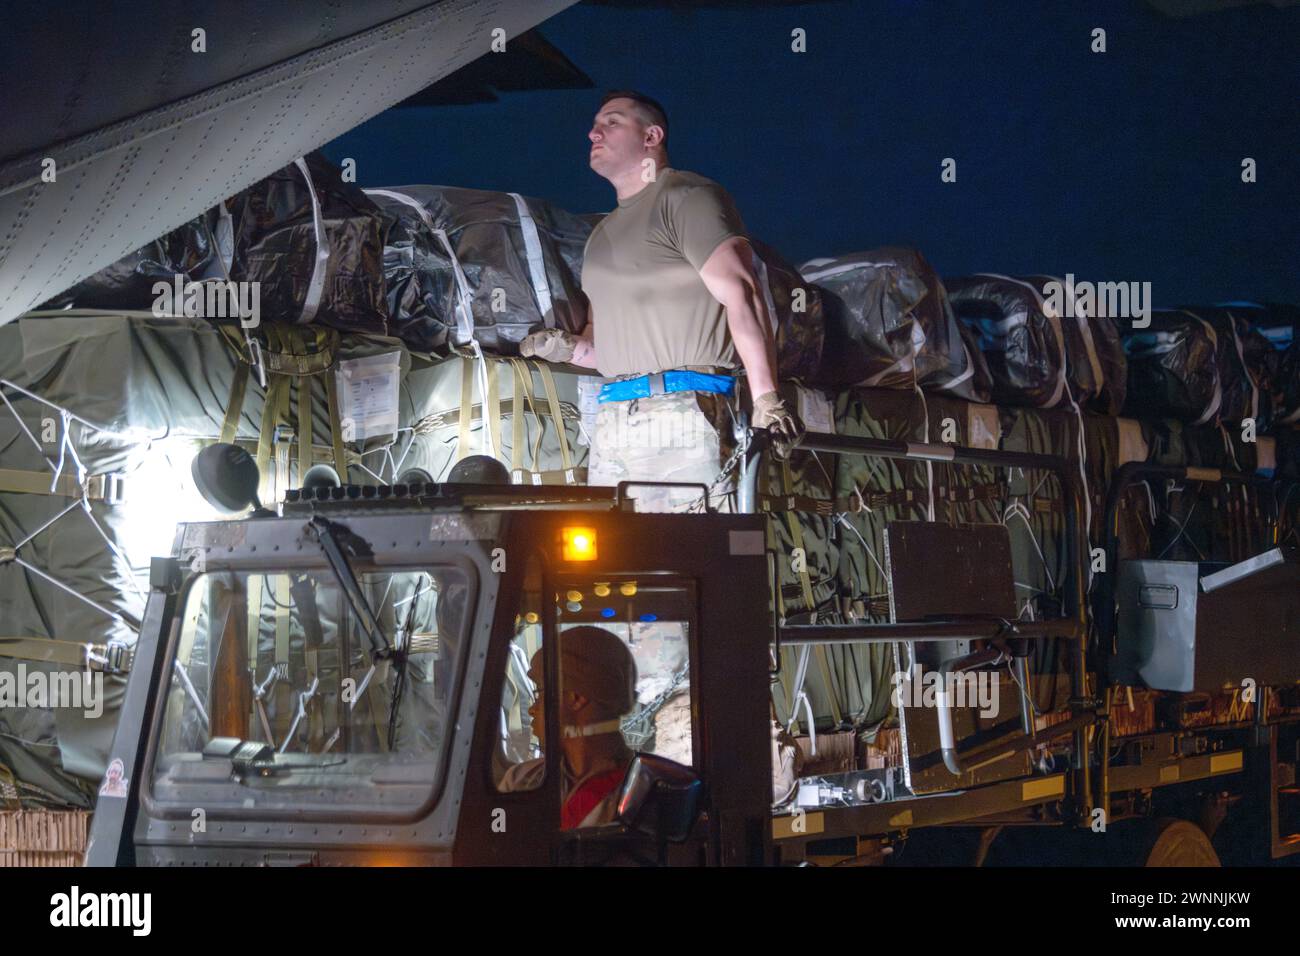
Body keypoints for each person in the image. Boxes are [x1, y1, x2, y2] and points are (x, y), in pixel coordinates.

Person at [521, 90, 804, 511]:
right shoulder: (600, 236)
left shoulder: (687, 197)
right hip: (614, 418)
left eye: (612, 122)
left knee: (694, 553)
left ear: (652, 135)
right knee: (617, 560)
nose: (593, 132)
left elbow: (743, 294)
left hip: (687, 409)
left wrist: (766, 398)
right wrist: (566, 347)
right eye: (595, 124)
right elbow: (607, 347)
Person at [502, 625, 638, 830]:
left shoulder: (642, 791)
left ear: (576, 698)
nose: (532, 710)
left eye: (540, 694)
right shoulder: (520, 780)